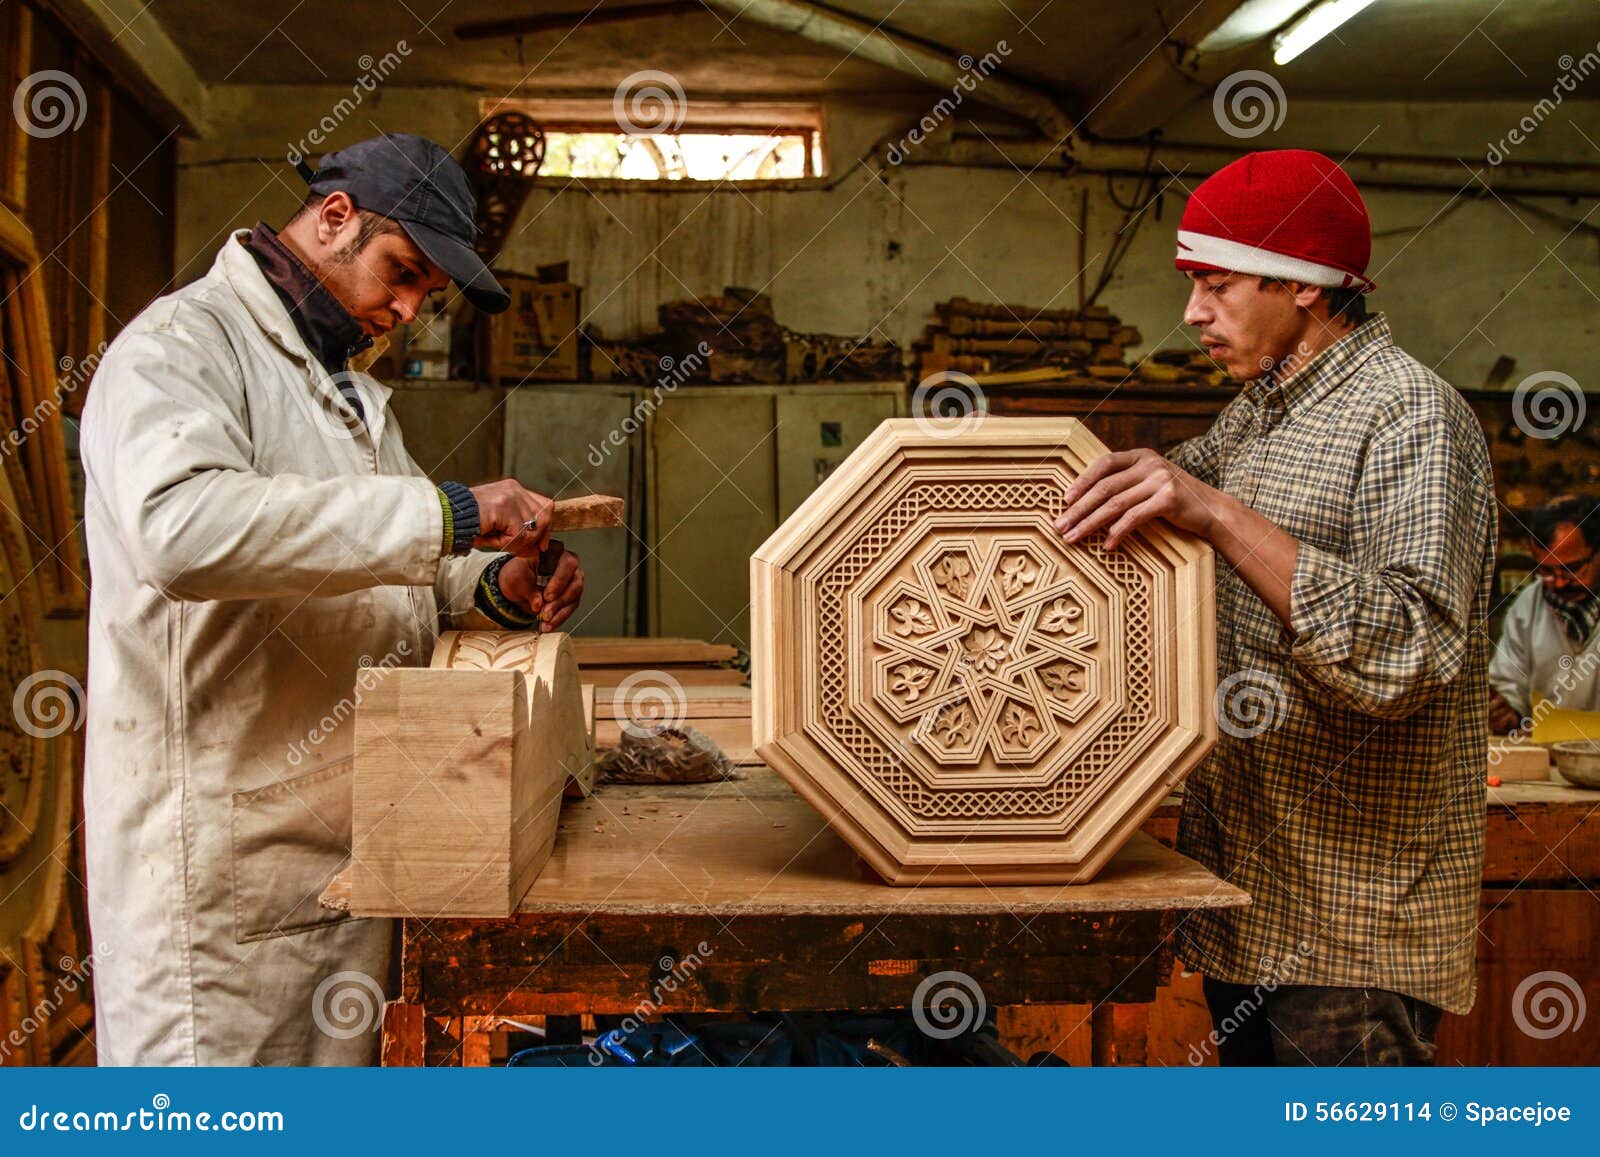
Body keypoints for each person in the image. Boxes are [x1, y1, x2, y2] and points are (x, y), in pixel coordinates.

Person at [81, 133, 584, 1064]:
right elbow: (180, 529)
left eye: (424, 294)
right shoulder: (180, 347)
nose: (404, 309)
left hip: (338, 851)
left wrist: (499, 584)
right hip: (225, 868)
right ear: (336, 217)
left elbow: (397, 559)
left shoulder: (342, 387)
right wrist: (454, 510)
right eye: (402, 274)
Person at [1054, 149, 1497, 1065]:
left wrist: (1213, 510)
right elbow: (1147, 511)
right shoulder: (1260, 413)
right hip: (1254, 906)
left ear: (1300, 284)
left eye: (1216, 285)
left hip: (1353, 931)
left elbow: (1407, 650)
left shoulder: (1410, 415)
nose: (1192, 314)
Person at [1489, 494, 1600, 731]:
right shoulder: (1528, 606)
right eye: (1546, 570)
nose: (1559, 583)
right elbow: (1509, 688)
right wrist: (1506, 712)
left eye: (1572, 568)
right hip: (1549, 759)